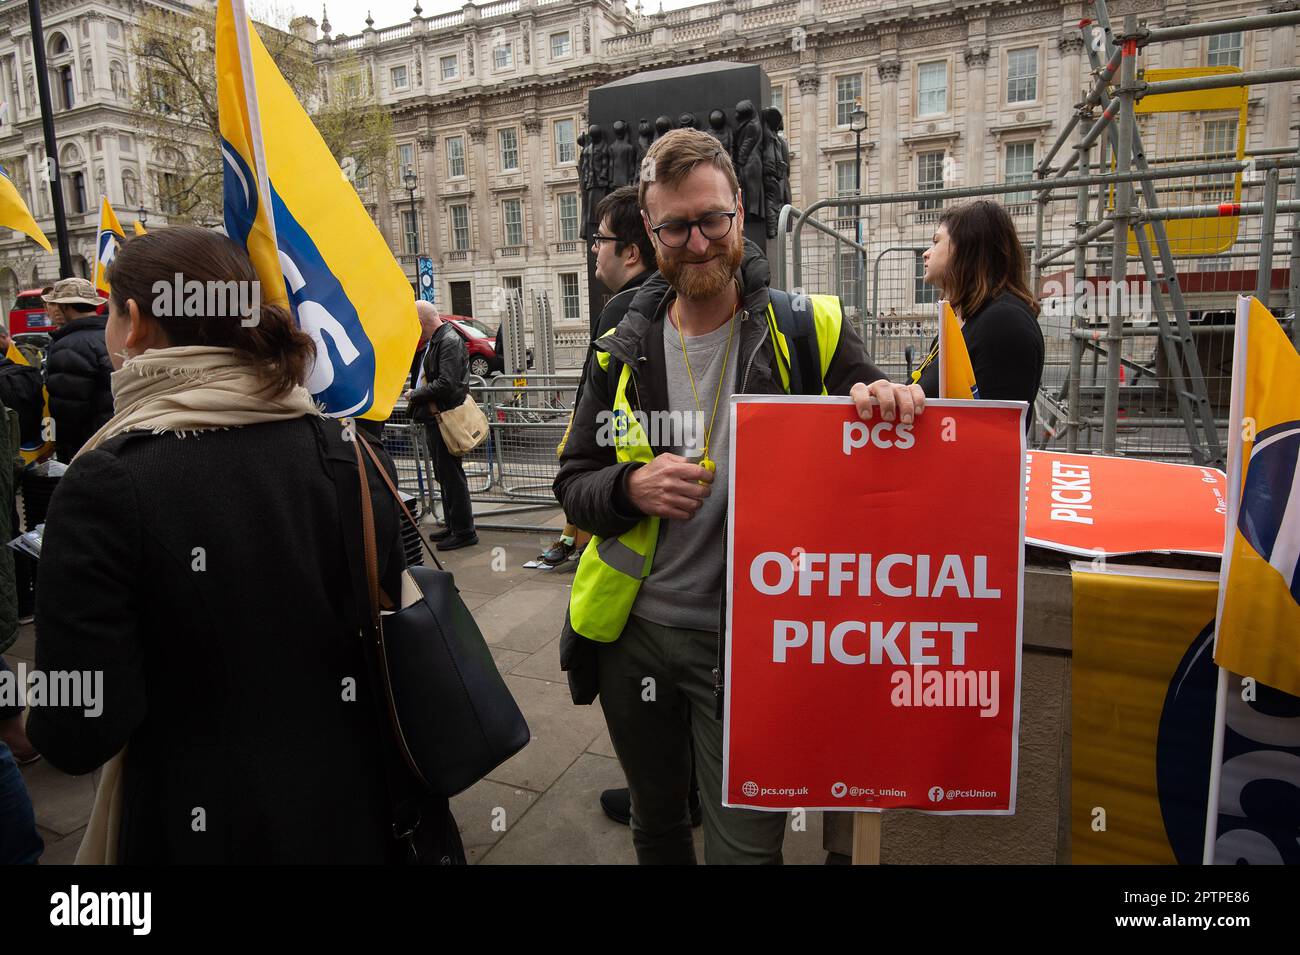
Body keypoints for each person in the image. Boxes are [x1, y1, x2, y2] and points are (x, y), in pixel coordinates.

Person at [27, 226, 462, 863]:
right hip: (363, 806)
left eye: (111, 317)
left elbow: (78, 733)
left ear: (138, 324)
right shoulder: (348, 450)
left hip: (205, 823)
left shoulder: (107, 481)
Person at [554, 129, 923, 865]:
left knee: (744, 851)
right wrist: (630, 486)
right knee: (656, 824)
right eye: (674, 227)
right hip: (634, 637)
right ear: (651, 233)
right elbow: (572, 483)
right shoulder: (617, 344)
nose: (697, 242)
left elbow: (880, 418)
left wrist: (887, 397)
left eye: (711, 219)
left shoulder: (806, 326)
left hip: (756, 647)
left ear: (740, 210)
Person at [538, 185, 655, 573]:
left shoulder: (622, 308)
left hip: (626, 519)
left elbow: (594, 414)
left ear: (632, 253)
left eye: (601, 239)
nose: (593, 248)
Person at [915, 200, 1045, 425]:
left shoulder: (1004, 322)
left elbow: (993, 434)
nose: (926, 253)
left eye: (936, 242)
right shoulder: (962, 319)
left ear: (967, 247)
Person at [408, 300, 477, 550]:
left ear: (421, 321)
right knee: (444, 475)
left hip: (444, 416)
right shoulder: (437, 340)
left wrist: (415, 394)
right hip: (436, 416)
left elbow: (447, 383)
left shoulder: (447, 340)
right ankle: (453, 525)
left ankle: (464, 531)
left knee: (451, 475)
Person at [41, 278, 113, 462]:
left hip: (87, 446)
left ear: (65, 307)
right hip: (118, 435)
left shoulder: (68, 346)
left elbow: (66, 411)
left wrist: (57, 443)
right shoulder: (112, 334)